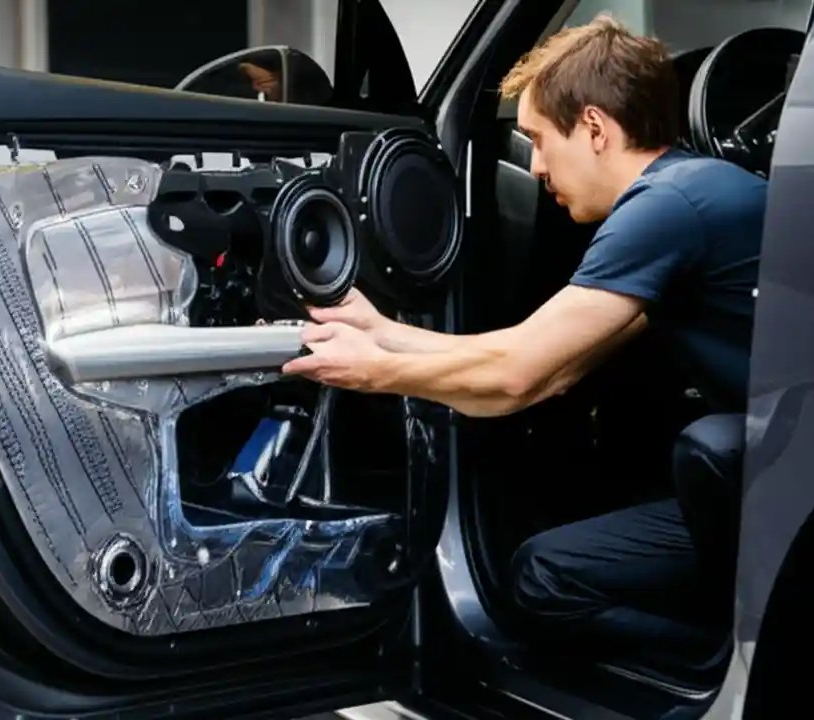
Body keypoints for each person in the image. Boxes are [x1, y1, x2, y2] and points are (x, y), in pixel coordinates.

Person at [281, 14, 763, 681]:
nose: (535, 165)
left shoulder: (663, 208)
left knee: (540, 583)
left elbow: (519, 379)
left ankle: (734, 665)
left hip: (776, 486)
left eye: (539, 139)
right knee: (553, 562)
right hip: (781, 481)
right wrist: (383, 331)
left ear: (594, 129)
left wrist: (375, 373)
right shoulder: (695, 189)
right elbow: (539, 356)